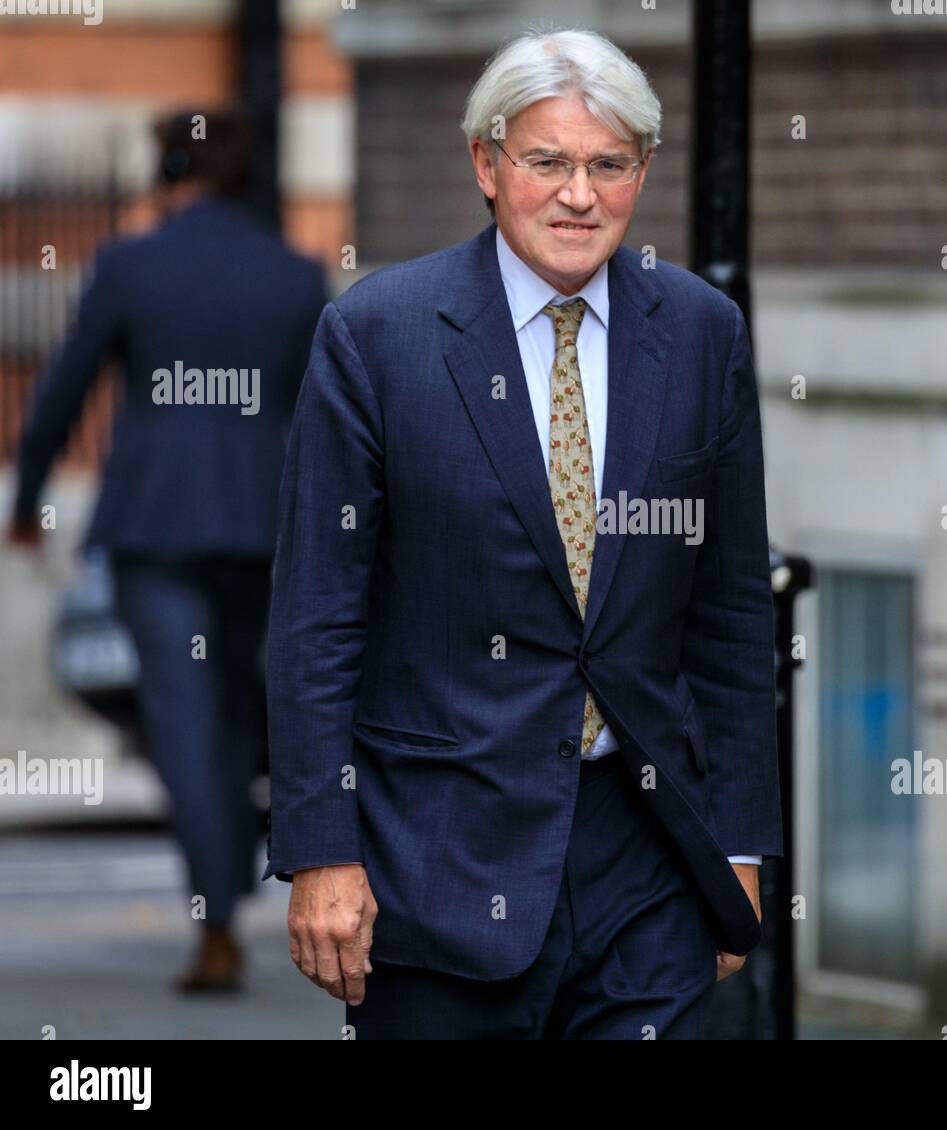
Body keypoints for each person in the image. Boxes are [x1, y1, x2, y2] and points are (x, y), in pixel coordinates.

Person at [265, 27, 782, 1038]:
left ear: (642, 172)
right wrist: (321, 850)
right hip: (438, 858)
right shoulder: (379, 336)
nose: (578, 194)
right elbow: (317, 617)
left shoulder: (700, 330)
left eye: (607, 164)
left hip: (646, 856)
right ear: (486, 164)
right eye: (547, 161)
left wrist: (740, 848)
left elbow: (729, 609)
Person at [8, 107, 328, 993]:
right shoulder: (294, 277)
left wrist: (29, 496)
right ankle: (234, 863)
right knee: (241, 710)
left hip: (157, 528)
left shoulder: (131, 266)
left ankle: (217, 916)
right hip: (266, 530)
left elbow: (65, 385)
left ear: (166, 171)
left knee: (185, 719)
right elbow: (328, 417)